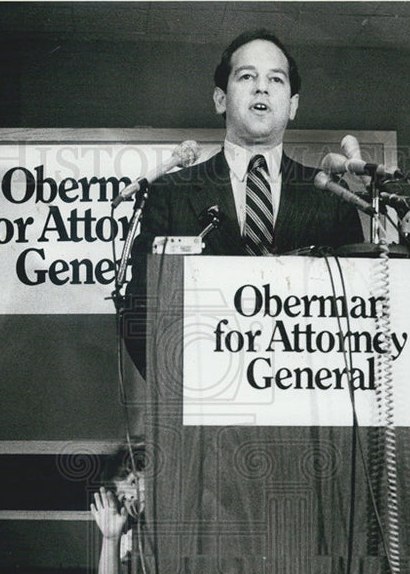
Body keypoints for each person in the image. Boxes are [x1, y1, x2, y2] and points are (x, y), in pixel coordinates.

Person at [120, 29, 364, 377]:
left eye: (275, 79)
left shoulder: (330, 195)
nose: (261, 87)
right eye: (247, 76)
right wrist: (178, 391)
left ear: (293, 105)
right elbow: (139, 309)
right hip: (202, 399)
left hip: (309, 396)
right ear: (220, 99)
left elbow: (358, 312)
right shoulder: (171, 193)